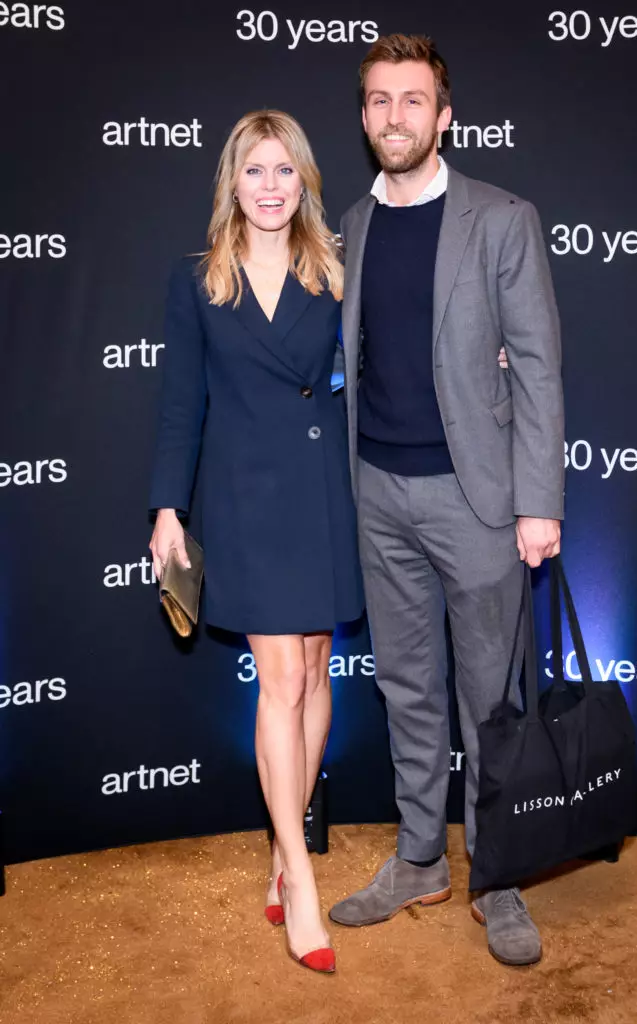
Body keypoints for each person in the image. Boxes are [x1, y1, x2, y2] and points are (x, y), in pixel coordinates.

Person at [329, 35, 564, 967]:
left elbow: (538, 367)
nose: (395, 117)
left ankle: (497, 873)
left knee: (487, 701)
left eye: (412, 100)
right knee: (406, 689)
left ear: (444, 114)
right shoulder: (350, 221)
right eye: (379, 101)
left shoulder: (501, 219)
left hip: (479, 502)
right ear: (364, 117)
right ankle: (420, 856)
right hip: (378, 493)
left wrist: (535, 503)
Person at [148, 110, 364, 974]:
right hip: (244, 499)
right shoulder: (198, 279)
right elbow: (178, 405)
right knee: (279, 676)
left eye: (284, 171)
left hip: (323, 495)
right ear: (230, 184)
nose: (270, 187)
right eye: (254, 172)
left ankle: (282, 848)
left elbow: (381, 368)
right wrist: (168, 508)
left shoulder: (335, 269)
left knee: (315, 670)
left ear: (303, 180)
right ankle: (300, 875)